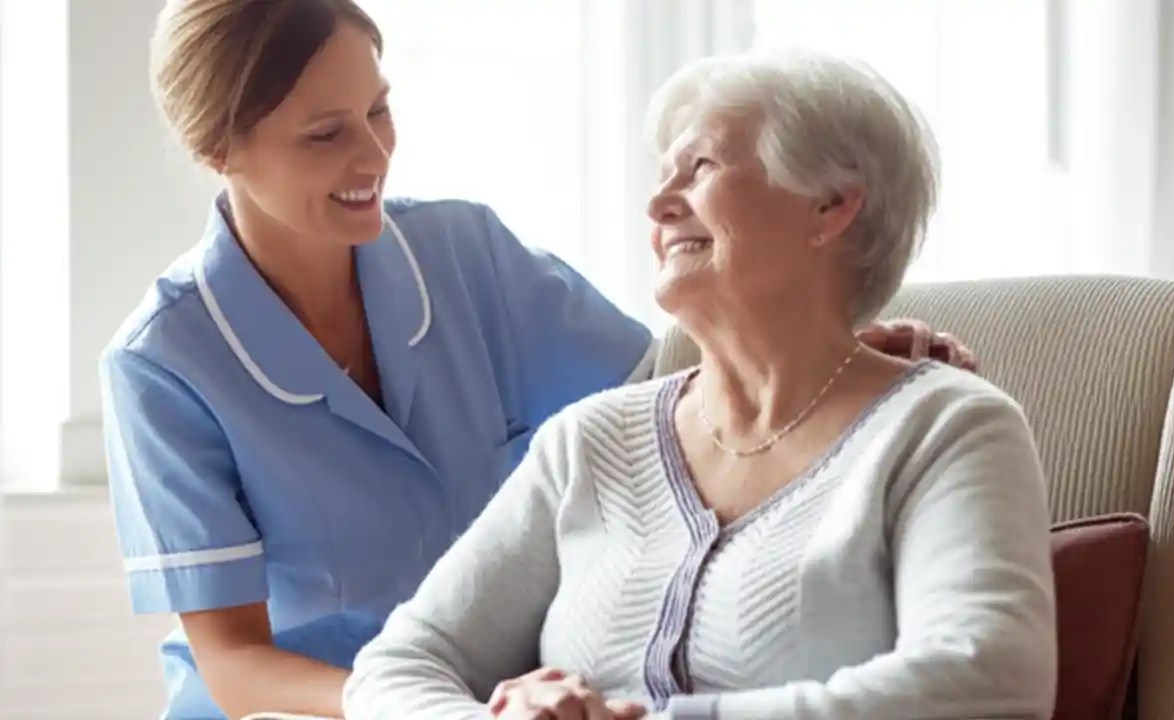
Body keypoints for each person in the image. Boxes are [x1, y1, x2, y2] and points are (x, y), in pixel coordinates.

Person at [100, 2, 974, 719]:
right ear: (221, 151)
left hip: (505, 695)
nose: (373, 155)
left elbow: (669, 393)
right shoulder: (163, 364)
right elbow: (235, 664)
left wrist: (832, 352)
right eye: (324, 136)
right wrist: (436, 710)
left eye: (379, 109)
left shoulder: (466, 252)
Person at [342, 48, 1057, 720]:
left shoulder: (947, 427)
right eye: (661, 177)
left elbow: (989, 675)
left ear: (832, 205)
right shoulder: (589, 441)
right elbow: (396, 667)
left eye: (700, 167)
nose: (658, 207)